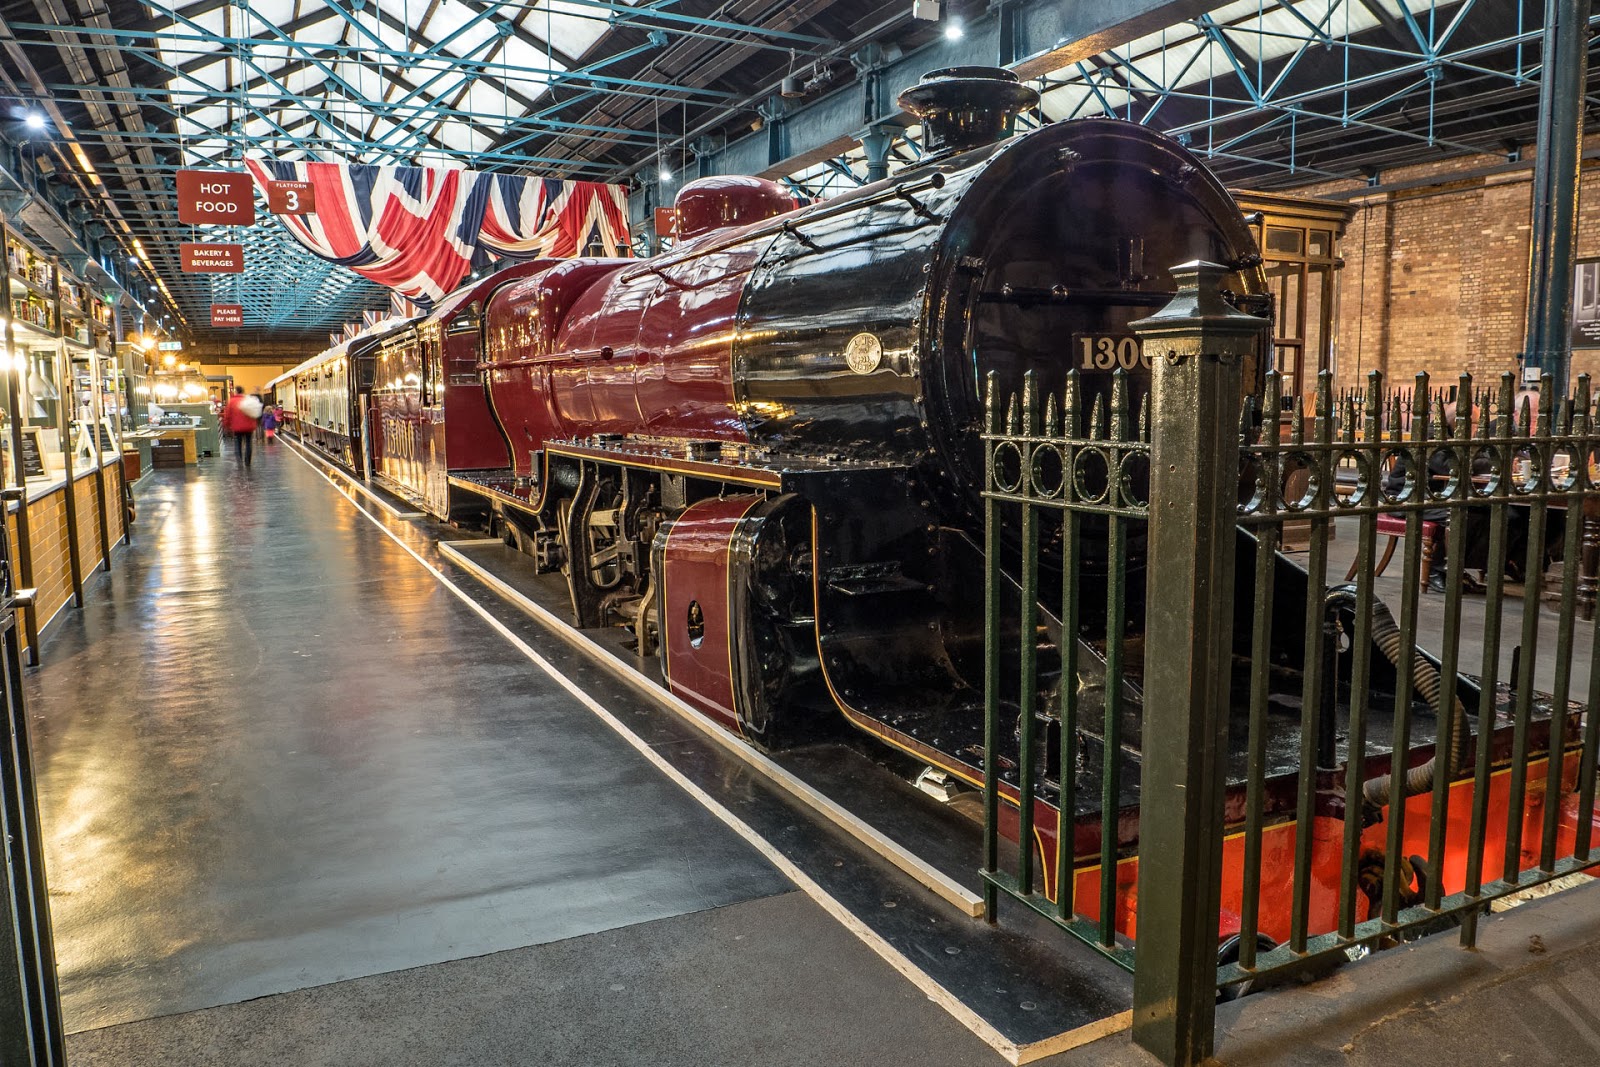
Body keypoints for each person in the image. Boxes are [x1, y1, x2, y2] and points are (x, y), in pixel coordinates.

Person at [222, 386, 262, 466]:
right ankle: (247, 462)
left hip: (237, 427)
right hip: (249, 427)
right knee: (248, 443)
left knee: (238, 443)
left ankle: (239, 461)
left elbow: (227, 415)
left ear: (236, 391)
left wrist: (226, 426)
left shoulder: (232, 401)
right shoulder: (248, 400)